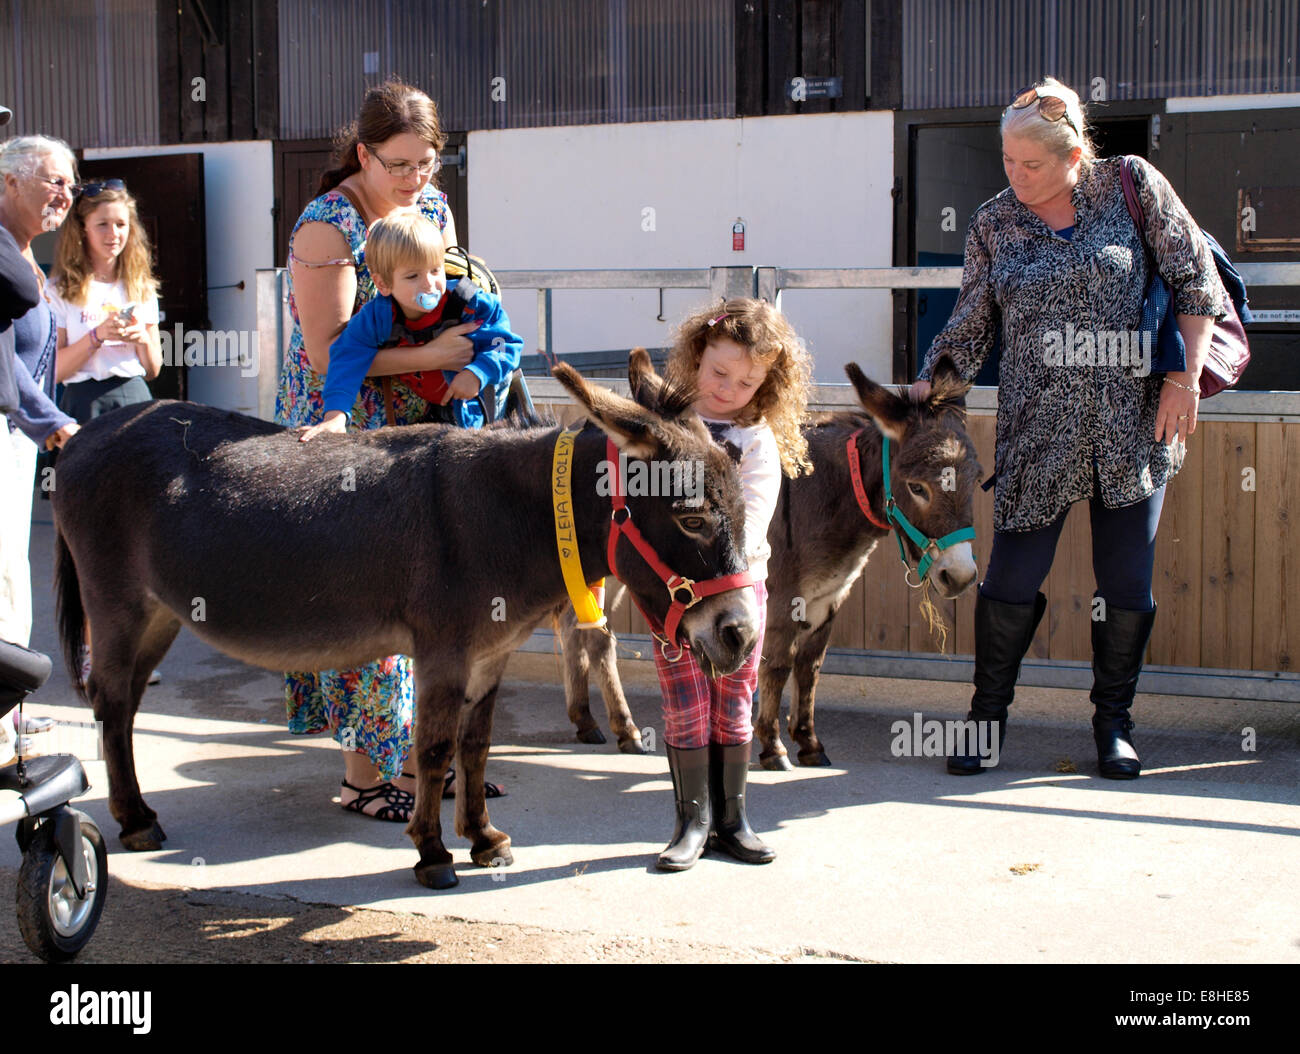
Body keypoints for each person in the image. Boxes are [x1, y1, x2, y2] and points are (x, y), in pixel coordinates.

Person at [911, 78, 1228, 780]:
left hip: (1133, 425)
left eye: (1031, 164)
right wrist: (925, 390)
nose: (1015, 175)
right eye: (1007, 160)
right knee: (1009, 582)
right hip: (1037, 431)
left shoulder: (1131, 186)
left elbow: (1195, 280)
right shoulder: (993, 223)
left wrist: (1184, 381)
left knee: (1127, 584)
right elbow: (969, 328)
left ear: (1075, 156)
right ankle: (985, 720)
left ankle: (1113, 725)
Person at [275, 79, 498, 821]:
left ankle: (421, 762)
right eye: (399, 164)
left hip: (425, 420)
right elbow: (326, 354)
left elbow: (450, 299)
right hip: (348, 424)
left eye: (427, 163)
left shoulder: (432, 207)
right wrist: (434, 353)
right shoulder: (325, 227)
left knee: (433, 597)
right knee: (367, 597)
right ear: (363, 154)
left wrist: (470, 359)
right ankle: (362, 779)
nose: (414, 179)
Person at [653, 298, 813, 871]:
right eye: (719, 372)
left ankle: (733, 820)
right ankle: (691, 822)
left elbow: (753, 514)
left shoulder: (755, 438)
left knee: (735, 701)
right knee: (685, 704)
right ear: (697, 354)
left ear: (766, 385)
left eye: (747, 383)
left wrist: (722, 562)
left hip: (741, 592)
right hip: (676, 596)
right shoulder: (665, 424)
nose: (729, 390)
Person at [45, 179, 164, 687]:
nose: (114, 233)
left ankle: (136, 652)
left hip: (133, 403)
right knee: (90, 540)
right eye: (103, 224)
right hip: (82, 407)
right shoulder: (60, 289)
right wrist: (97, 336)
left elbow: (154, 367)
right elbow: (54, 370)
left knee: (142, 533)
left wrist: (139, 339)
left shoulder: (140, 286)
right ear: (82, 229)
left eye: (121, 224)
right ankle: (96, 652)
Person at [298, 211, 521, 442]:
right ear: (383, 283)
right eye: (413, 276)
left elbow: (506, 344)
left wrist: (478, 373)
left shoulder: (470, 304)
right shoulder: (379, 316)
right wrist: (335, 416)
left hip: (479, 405)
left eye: (435, 270)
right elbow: (347, 357)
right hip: (434, 408)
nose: (429, 284)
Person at [0, 134, 81, 761]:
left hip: (17, 436)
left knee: (13, 577)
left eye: (71, 184)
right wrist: (50, 420)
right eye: (54, 180)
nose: (66, 194)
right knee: (3, 578)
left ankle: (8, 712)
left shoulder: (22, 253)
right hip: (8, 428)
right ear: (8, 182)